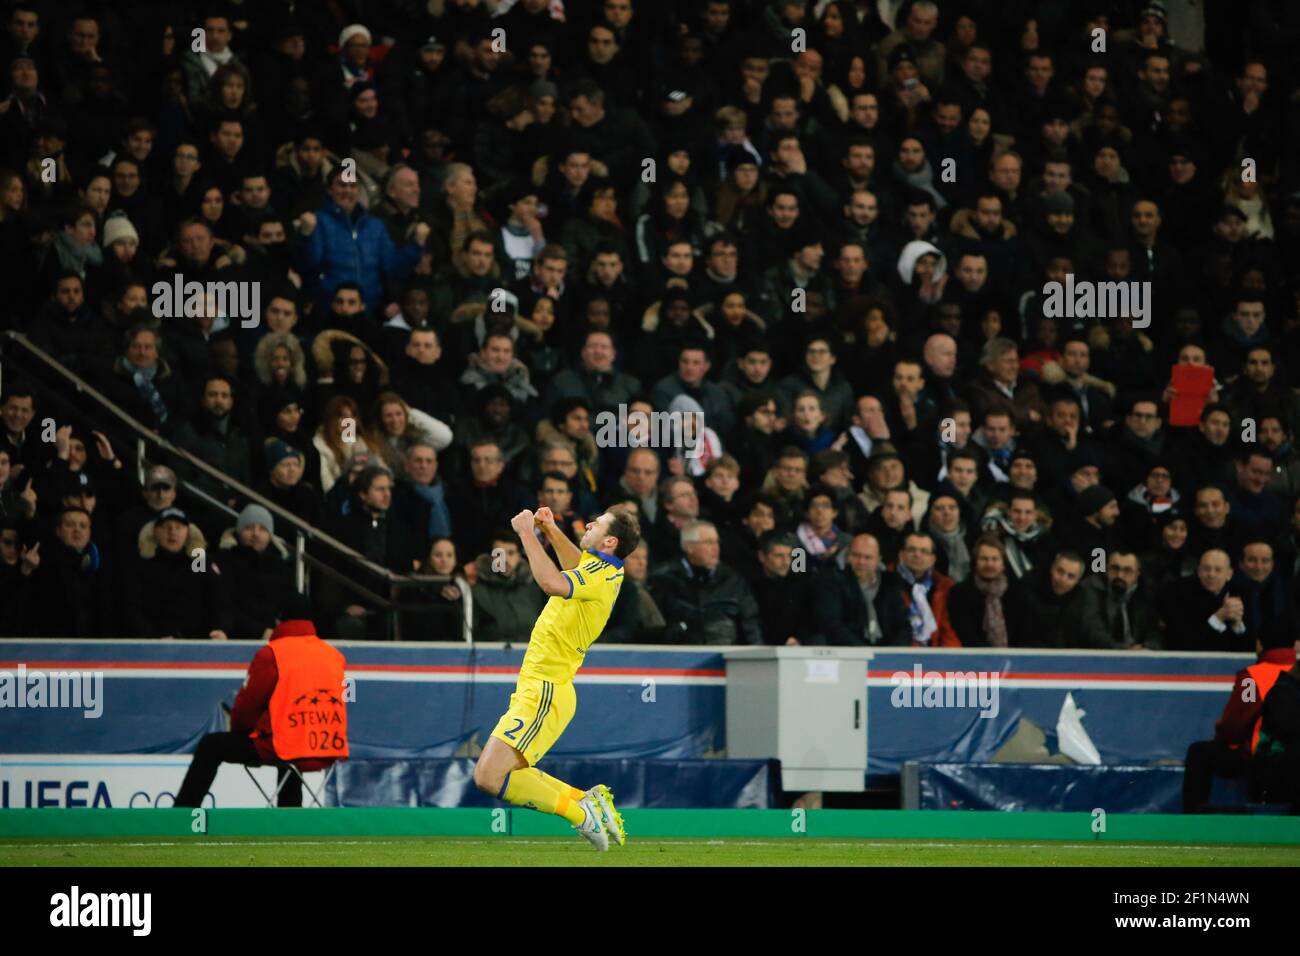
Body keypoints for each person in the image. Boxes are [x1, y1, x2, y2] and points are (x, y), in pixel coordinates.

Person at [471, 504, 640, 852]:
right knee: (505, 773)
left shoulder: (598, 576)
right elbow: (574, 563)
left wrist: (526, 533)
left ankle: (580, 814)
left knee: (489, 777)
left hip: (547, 689)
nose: (589, 521)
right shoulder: (600, 568)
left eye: (599, 522)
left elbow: (550, 582)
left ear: (609, 540)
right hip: (540, 687)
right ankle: (585, 801)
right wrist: (549, 528)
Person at [174, 594, 347, 808]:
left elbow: (247, 708)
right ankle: (290, 816)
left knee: (211, 745)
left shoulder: (272, 654)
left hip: (287, 746)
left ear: (278, 620)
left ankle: (182, 814)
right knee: (290, 742)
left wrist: (242, 731)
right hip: (327, 749)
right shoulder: (334, 656)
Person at [1182, 624, 1296, 812]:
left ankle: (1191, 821)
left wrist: (1225, 740)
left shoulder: (1252, 679)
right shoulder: (1296, 674)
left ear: (1260, 644)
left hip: (1261, 761)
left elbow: (1237, 722)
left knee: (1199, 753)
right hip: (1292, 761)